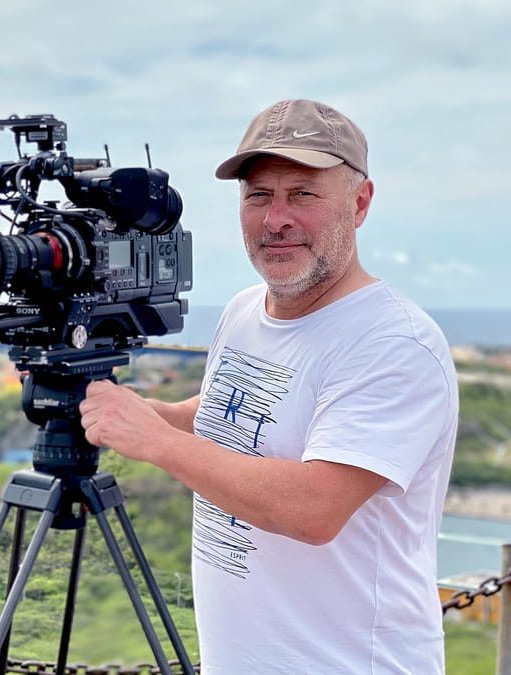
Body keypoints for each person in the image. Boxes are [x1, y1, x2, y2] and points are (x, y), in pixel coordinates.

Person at [79, 99, 458, 674]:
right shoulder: (244, 311)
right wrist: (150, 413)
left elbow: (315, 508)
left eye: (303, 194)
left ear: (359, 203)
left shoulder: (393, 343)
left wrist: (154, 443)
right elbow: (243, 408)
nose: (276, 218)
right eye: (259, 195)